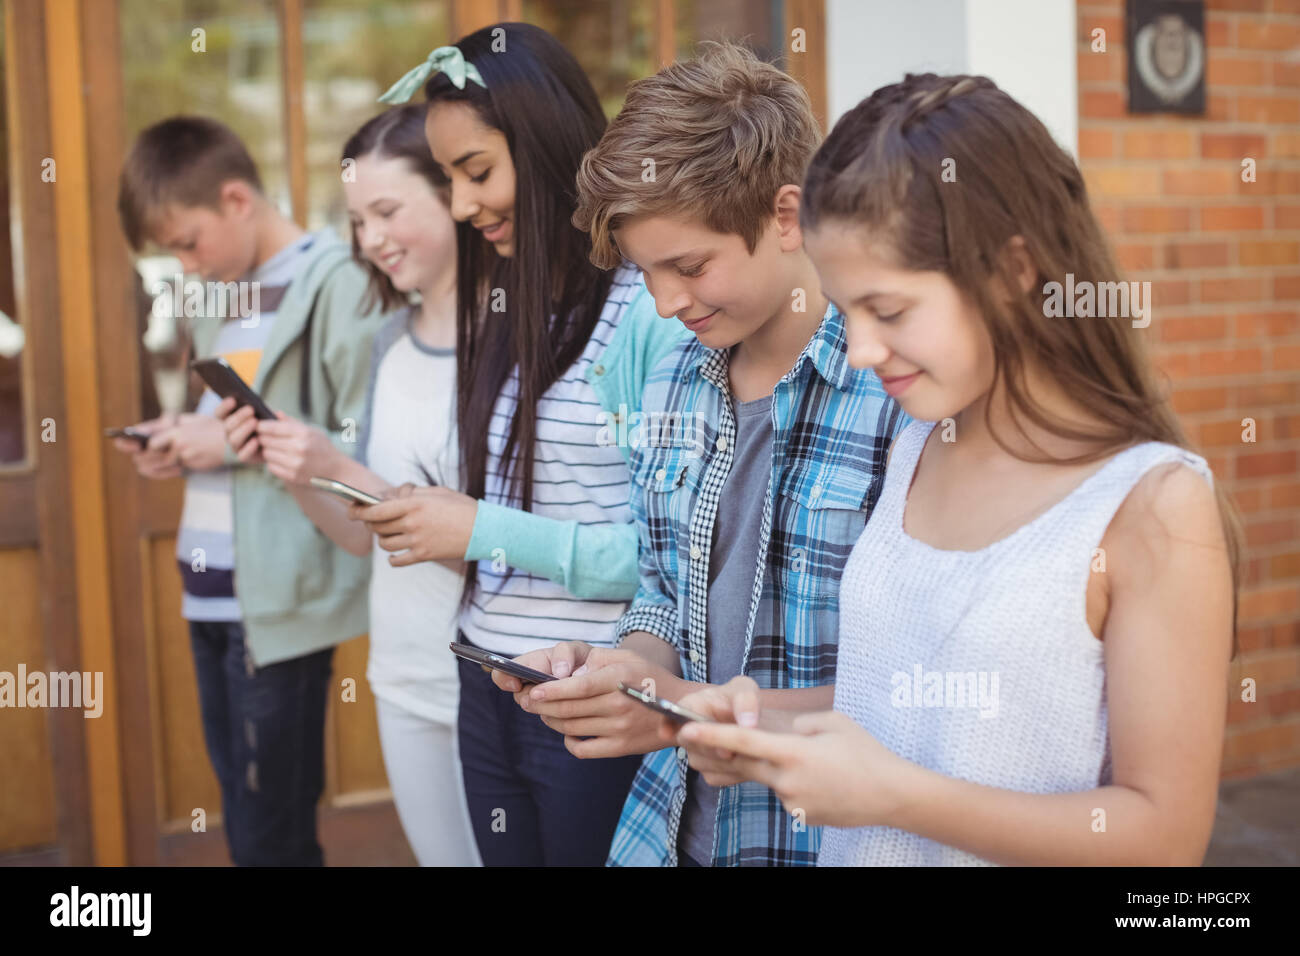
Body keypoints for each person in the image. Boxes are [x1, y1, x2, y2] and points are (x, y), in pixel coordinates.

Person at [671, 73, 1240, 866]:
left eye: (891, 311)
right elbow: (916, 704)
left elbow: (1162, 836)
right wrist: (761, 719)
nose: (862, 351)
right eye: (847, 312)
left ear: (1012, 271)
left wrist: (892, 795)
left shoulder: (1151, 504)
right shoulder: (918, 444)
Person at [492, 43, 908, 867]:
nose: (666, 302)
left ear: (787, 217)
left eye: (688, 266)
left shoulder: (895, 390)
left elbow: (916, 689)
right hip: (673, 830)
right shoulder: (676, 374)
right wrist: (617, 670)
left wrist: (679, 706)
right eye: (647, 273)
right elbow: (662, 595)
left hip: (830, 841)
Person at [357, 24, 688, 866]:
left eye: (478, 172)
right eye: (449, 181)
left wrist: (480, 528)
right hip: (482, 678)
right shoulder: (499, 310)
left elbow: (665, 556)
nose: (464, 206)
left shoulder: (647, 311)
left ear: (544, 147)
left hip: (584, 693)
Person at [113, 115, 387, 866]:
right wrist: (182, 443)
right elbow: (230, 420)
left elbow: (356, 443)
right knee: (246, 824)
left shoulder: (335, 282)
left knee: (272, 839)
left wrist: (225, 445)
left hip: (276, 602)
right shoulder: (226, 289)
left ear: (236, 199)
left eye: (186, 242)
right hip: (206, 590)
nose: (186, 264)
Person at [221, 104, 477, 866]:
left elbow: (501, 534)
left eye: (388, 212)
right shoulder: (389, 342)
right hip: (403, 675)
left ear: (457, 195)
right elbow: (363, 536)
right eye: (358, 220)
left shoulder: (516, 342)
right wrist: (303, 473)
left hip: (497, 683)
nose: (371, 240)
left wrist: (335, 467)